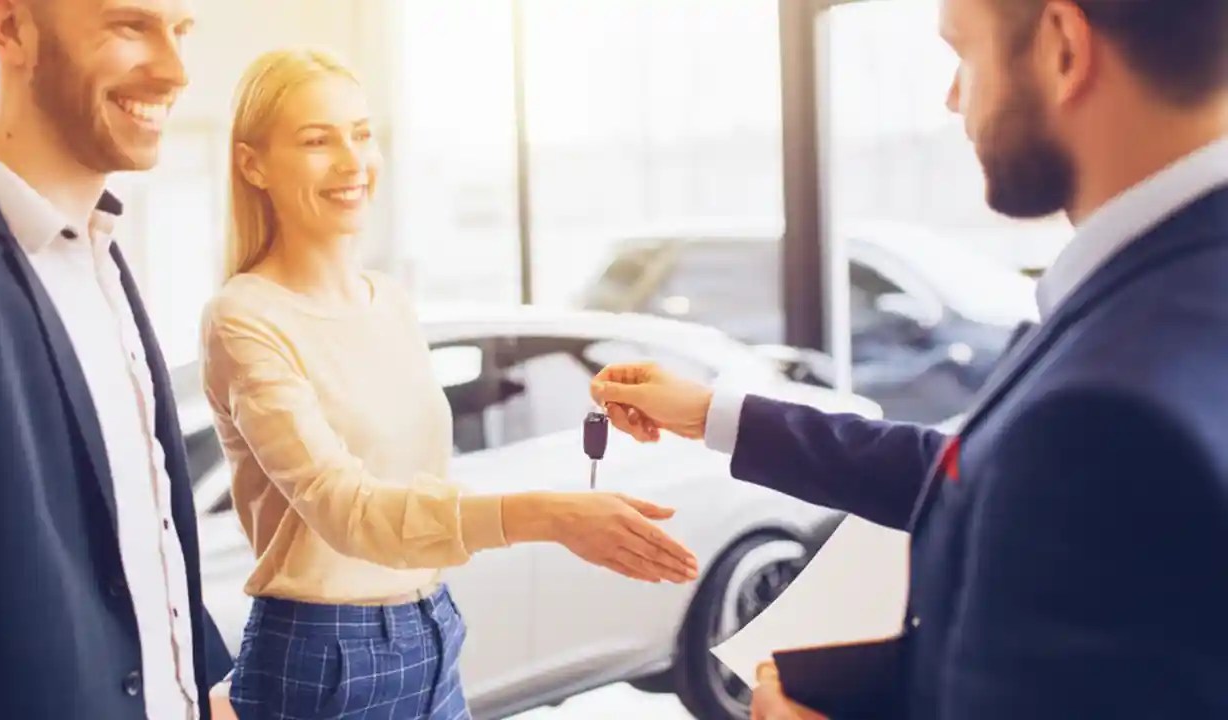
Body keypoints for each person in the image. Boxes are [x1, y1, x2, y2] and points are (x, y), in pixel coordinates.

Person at [592, 0, 1228, 717]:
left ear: (1062, 49)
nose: (954, 97)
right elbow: (979, 476)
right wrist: (714, 414)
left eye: (964, 53)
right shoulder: (1175, 296)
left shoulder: (1109, 411)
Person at [200, 48, 699, 720]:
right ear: (252, 163)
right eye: (318, 141)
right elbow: (344, 508)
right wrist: (547, 516)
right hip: (324, 656)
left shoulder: (390, 301)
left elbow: (419, 484)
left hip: (430, 627)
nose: (352, 162)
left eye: (362, 133)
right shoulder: (245, 316)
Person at [0, 0, 234, 718]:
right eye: (129, 25)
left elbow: (141, 561)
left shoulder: (101, 255)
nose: (174, 71)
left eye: (181, 31)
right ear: (10, 26)